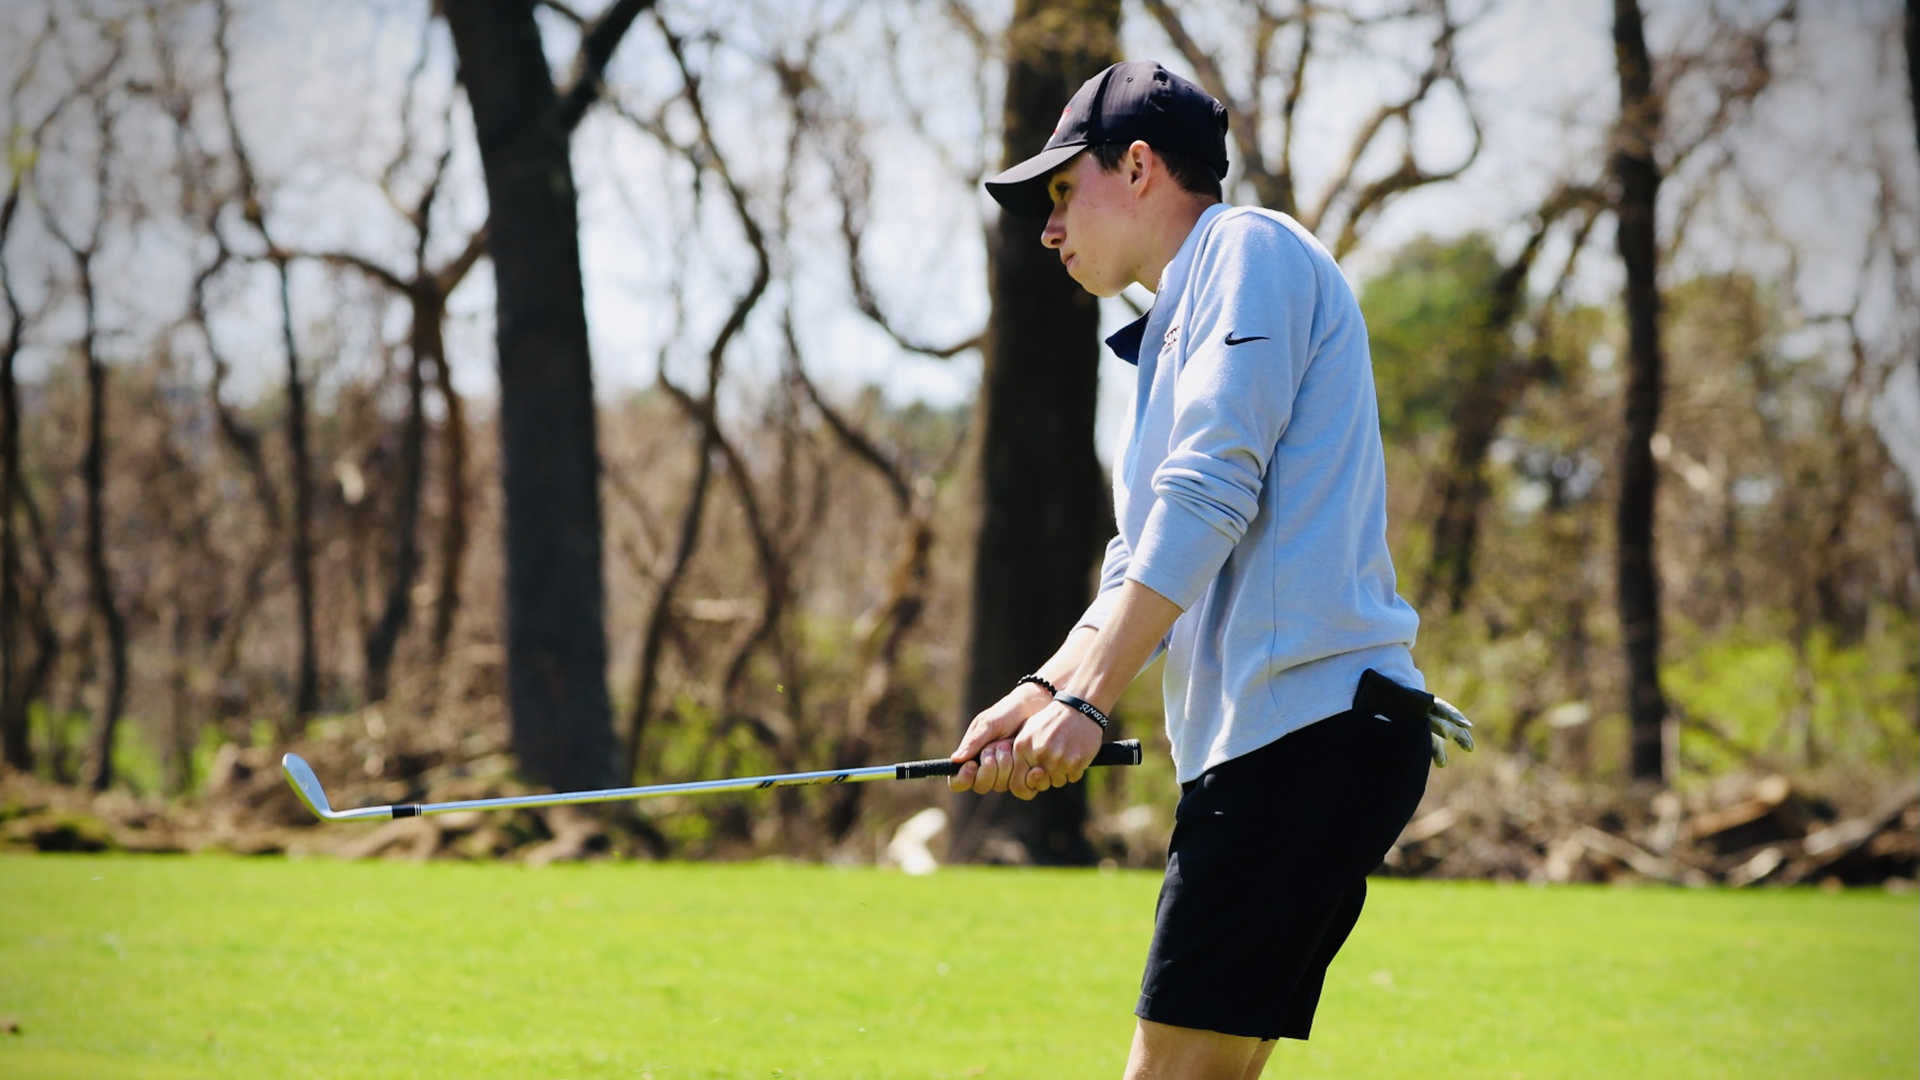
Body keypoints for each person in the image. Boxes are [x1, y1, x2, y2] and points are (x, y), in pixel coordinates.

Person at [947, 60, 1472, 1080]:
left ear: (1139, 167)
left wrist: (1090, 703)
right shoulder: (1167, 334)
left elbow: (1209, 492)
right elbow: (1139, 559)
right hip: (1288, 748)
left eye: (1064, 192)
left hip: (1308, 738)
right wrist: (1044, 690)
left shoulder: (1248, 248)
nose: (1049, 230)